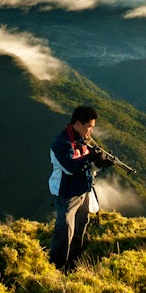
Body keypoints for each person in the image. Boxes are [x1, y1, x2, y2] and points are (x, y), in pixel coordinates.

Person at [47, 106, 113, 270]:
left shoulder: (85, 140)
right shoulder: (60, 144)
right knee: (64, 231)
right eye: (89, 126)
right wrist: (90, 157)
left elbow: (90, 167)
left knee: (80, 228)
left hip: (84, 191)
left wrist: (101, 163)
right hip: (67, 194)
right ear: (77, 123)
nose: (91, 130)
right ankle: (55, 269)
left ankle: (72, 265)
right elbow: (70, 167)